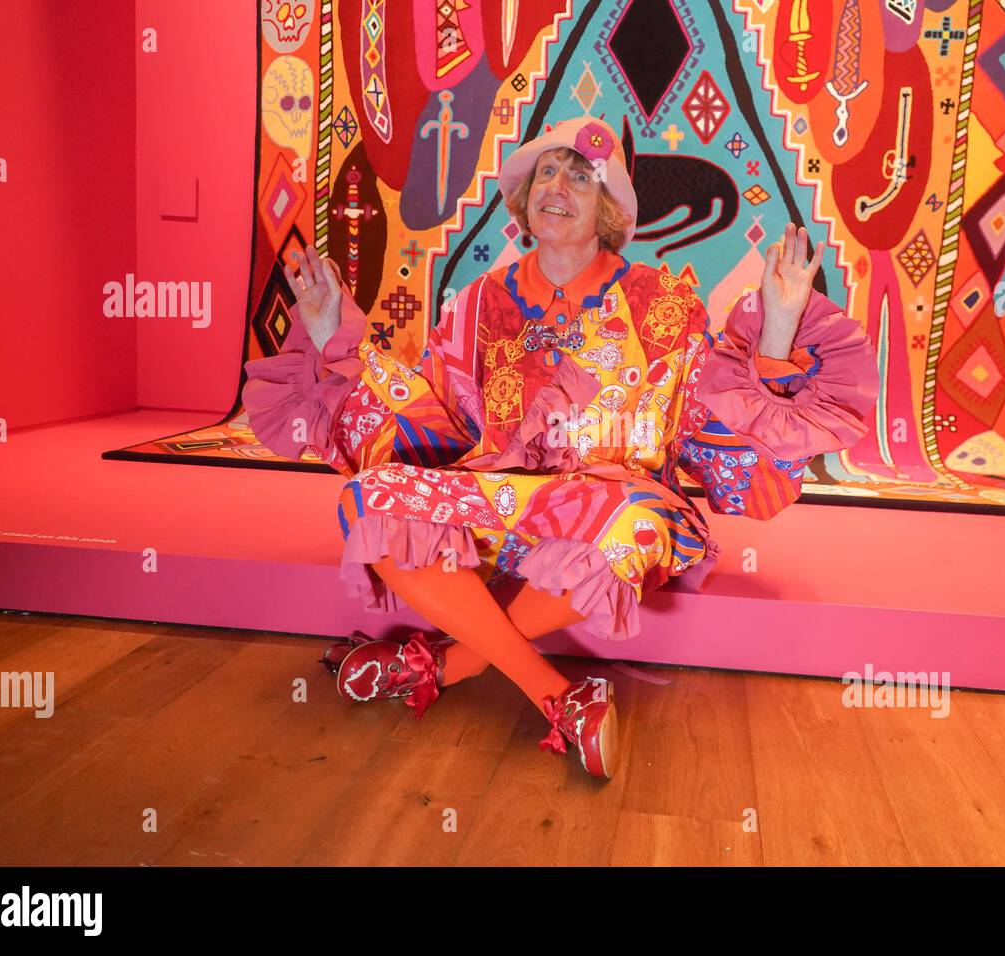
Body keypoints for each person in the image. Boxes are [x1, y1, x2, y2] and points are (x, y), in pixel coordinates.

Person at [242, 116, 879, 780]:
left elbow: (705, 418)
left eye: (580, 176)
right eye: (546, 172)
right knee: (370, 500)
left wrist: (777, 330)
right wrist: (332, 336)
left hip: (609, 502)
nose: (557, 186)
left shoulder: (663, 302)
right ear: (524, 198)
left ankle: (439, 663)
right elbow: (428, 412)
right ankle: (557, 697)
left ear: (607, 208)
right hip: (500, 497)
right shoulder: (478, 302)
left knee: (632, 531)